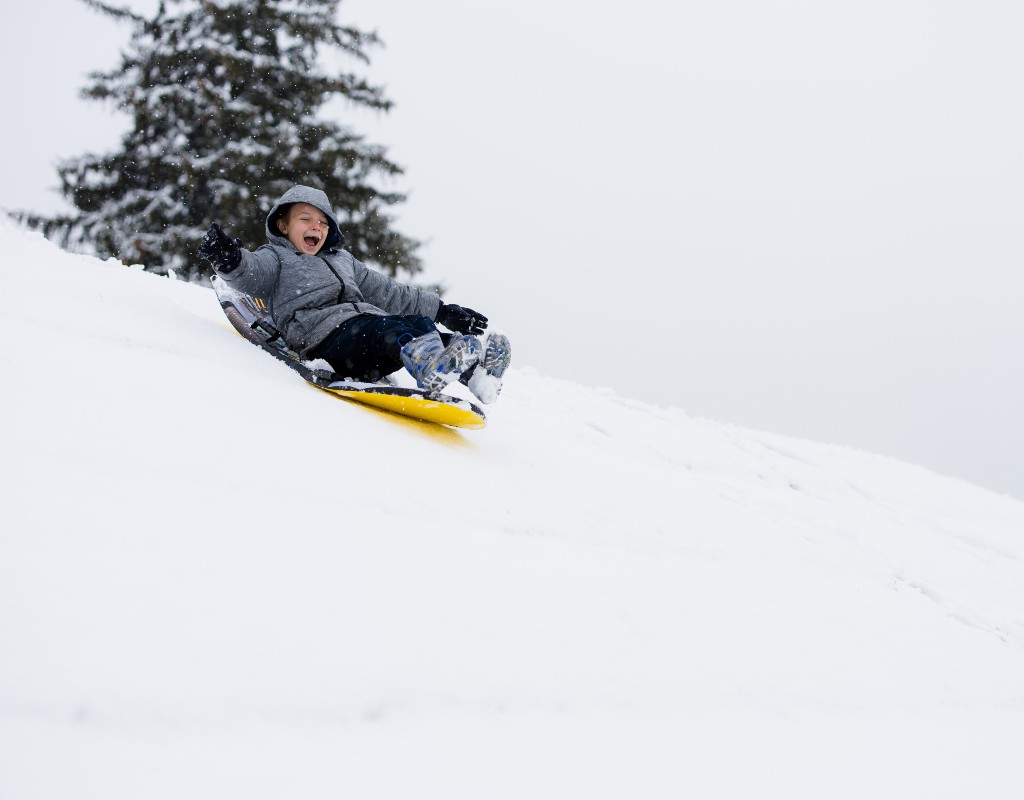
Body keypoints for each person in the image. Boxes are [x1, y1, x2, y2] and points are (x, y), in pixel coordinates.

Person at [198, 184, 510, 403]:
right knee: (391, 329)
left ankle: (477, 374)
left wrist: (441, 311)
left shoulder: (342, 260)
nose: (316, 227)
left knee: (416, 324)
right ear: (282, 226)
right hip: (323, 339)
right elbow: (250, 274)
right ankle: (430, 366)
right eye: (305, 219)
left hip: (364, 337)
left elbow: (389, 291)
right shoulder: (276, 257)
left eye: (323, 222)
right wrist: (229, 260)